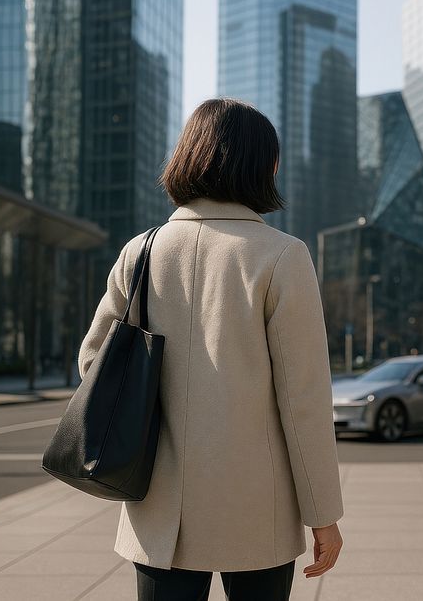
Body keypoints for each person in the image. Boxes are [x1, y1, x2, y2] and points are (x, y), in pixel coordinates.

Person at [78, 98, 344, 600]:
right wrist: (323, 516)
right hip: (254, 506)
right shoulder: (282, 256)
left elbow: (94, 363)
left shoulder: (142, 251)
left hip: (157, 501)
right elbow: (303, 399)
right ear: (261, 166)